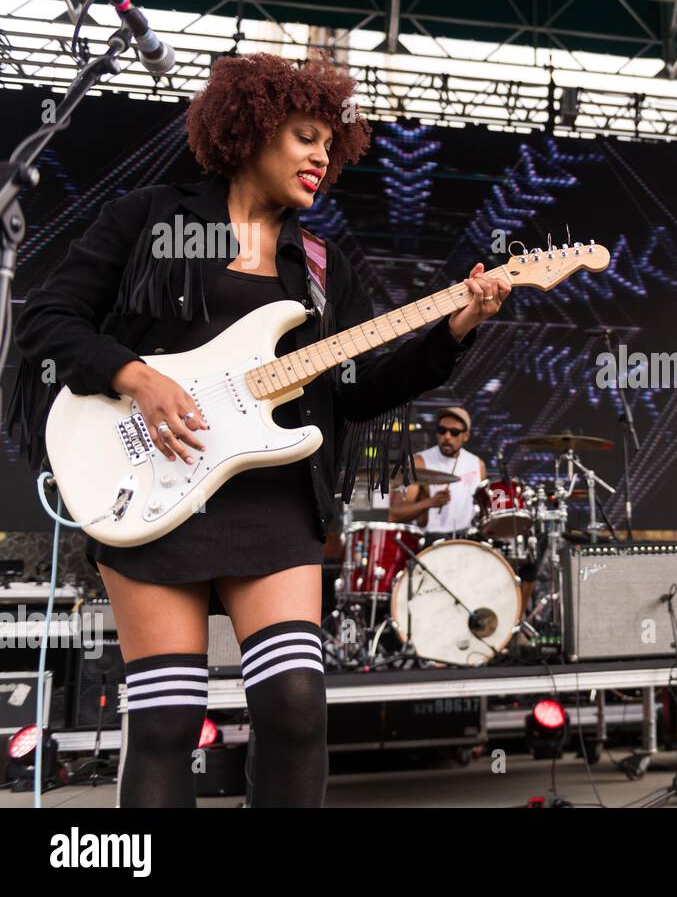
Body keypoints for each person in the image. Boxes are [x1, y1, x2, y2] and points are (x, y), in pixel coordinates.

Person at [5, 52, 510, 806]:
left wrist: (456, 326)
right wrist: (136, 377)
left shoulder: (322, 265)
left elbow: (361, 391)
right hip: (151, 487)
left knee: (296, 706)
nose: (321, 157)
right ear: (250, 131)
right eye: (306, 136)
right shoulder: (150, 217)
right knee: (168, 722)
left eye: (330, 146)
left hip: (272, 502)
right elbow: (49, 318)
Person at [388, 406, 486, 540]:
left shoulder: (477, 464)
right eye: (442, 430)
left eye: (454, 432)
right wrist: (430, 502)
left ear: (466, 435)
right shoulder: (419, 462)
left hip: (469, 538)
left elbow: (484, 510)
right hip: (433, 538)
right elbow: (395, 514)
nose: (447, 436)